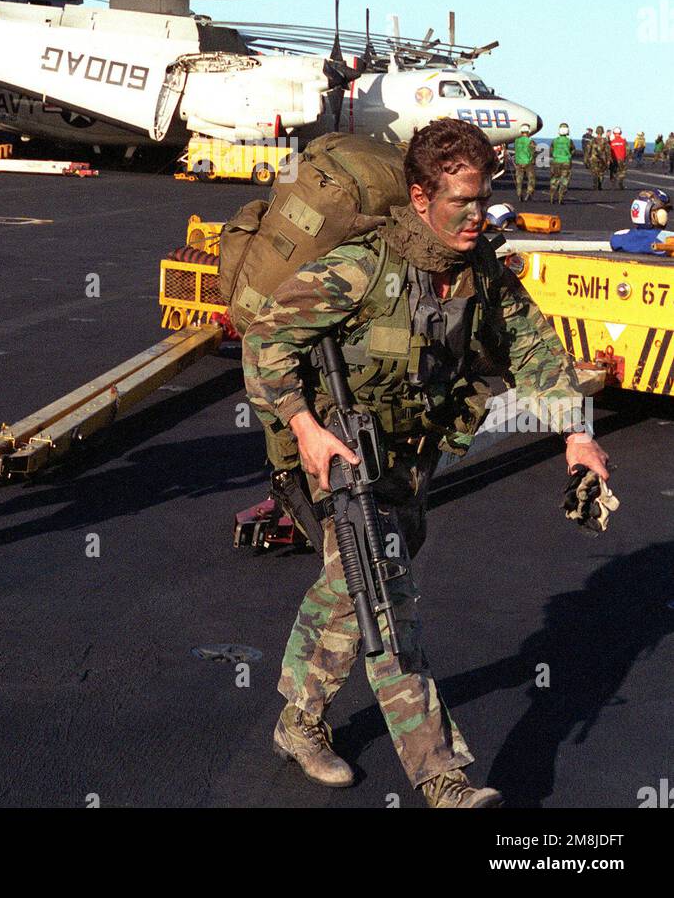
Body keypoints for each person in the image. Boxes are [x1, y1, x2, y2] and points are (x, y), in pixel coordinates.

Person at [242, 118, 609, 808]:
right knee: (386, 602)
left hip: (413, 461)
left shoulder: (480, 273)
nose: (477, 216)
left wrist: (575, 434)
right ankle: (444, 780)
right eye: (460, 202)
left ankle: (298, 720)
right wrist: (306, 429)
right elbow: (265, 341)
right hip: (339, 460)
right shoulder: (361, 268)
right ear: (419, 197)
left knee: (345, 594)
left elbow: (532, 349)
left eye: (483, 200)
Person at [549, 122, 575, 205]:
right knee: (564, 180)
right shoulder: (569, 141)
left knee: (554, 179)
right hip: (566, 162)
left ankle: (552, 196)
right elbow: (573, 150)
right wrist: (569, 155)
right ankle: (560, 198)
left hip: (556, 162)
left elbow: (551, 151)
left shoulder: (554, 141)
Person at [512, 122, 536, 201]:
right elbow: (533, 152)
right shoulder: (530, 141)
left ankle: (519, 195)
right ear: (528, 131)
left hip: (519, 162)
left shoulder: (516, 141)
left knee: (519, 180)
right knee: (531, 179)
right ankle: (529, 194)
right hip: (528, 163)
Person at [587, 127, 610, 191]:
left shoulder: (592, 140)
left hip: (593, 158)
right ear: (603, 132)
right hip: (603, 159)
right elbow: (608, 151)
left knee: (594, 172)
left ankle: (595, 184)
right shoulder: (605, 140)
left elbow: (588, 150)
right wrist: (608, 160)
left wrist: (587, 158)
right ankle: (599, 184)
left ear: (596, 132)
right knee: (601, 173)